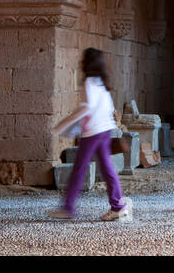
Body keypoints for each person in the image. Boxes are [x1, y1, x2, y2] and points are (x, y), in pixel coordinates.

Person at [49, 48, 130, 221]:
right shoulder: (102, 83)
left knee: (79, 169)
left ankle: (68, 207)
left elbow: (87, 107)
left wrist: (64, 124)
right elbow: (107, 107)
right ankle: (117, 206)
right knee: (108, 169)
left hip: (93, 132)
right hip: (104, 129)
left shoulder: (88, 82)